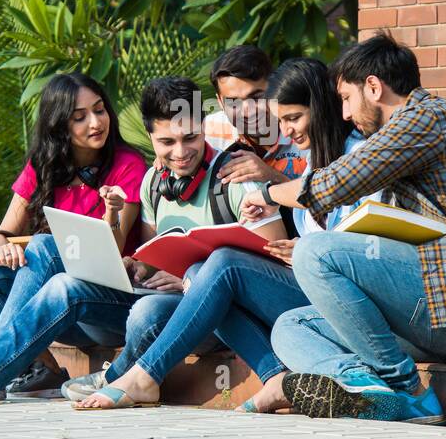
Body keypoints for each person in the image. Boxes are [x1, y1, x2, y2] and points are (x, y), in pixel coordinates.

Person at [0, 76, 285, 406]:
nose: (180, 153)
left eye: (190, 138)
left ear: (204, 127)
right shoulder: (156, 181)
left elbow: (265, 260)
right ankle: (2, 365)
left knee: (70, 272)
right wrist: (141, 265)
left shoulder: (228, 176)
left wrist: (179, 270)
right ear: (152, 138)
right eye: (167, 143)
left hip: (186, 304)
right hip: (136, 296)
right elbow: (148, 254)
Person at [242, 32, 446, 424]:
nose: (343, 114)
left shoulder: (429, 117)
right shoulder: (411, 129)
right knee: (290, 327)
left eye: (346, 99)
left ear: (373, 87)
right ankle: (366, 388)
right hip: (438, 311)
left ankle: (407, 390)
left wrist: (269, 193)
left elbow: (334, 185)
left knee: (315, 251)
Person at [75, 57, 377, 413]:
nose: (254, 115)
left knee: (212, 269)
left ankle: (137, 376)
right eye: (166, 142)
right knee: (175, 291)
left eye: (290, 117)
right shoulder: (300, 153)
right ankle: (273, 376)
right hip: (289, 289)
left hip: (324, 292)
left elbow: (293, 240)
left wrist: (269, 193)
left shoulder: (348, 159)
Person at [0, 72, 145, 396]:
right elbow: (1, 232)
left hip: (102, 310)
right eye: (80, 117)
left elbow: (115, 247)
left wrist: (112, 212)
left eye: (99, 110)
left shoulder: (127, 164)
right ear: (59, 125)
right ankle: (40, 368)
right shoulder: (43, 165)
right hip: (53, 314)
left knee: (45, 245)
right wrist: (1, 247)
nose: (95, 122)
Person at [204, 45, 308, 186]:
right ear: (220, 103)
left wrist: (272, 176)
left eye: (257, 97)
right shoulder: (205, 132)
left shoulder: (305, 129)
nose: (248, 111)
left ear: (275, 88)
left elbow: (329, 201)